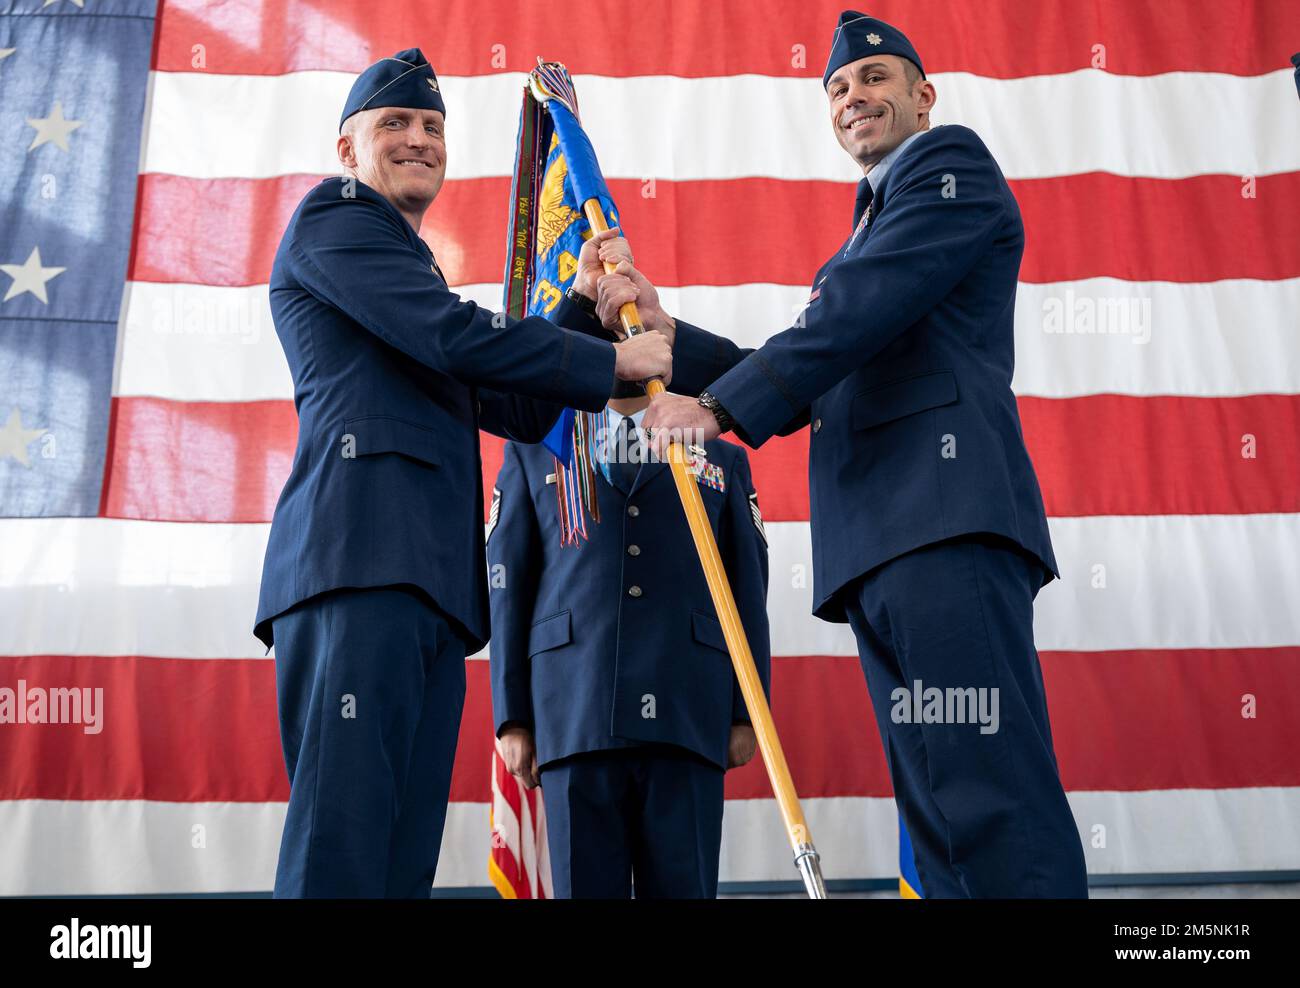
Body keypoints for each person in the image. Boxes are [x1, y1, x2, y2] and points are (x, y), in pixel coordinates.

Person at [597, 12, 1088, 897]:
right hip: (881, 550)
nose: (852, 96)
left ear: (922, 95)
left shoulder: (951, 168)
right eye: (835, 88)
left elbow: (850, 317)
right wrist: (671, 334)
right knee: (937, 809)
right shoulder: (862, 240)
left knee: (988, 796)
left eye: (873, 78)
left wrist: (713, 407)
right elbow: (829, 365)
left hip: (945, 528)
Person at [252, 48, 671, 898]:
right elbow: (454, 338)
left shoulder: (406, 270)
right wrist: (616, 364)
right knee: (343, 847)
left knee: (401, 862)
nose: (418, 139)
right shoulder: (335, 219)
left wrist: (583, 315)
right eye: (395, 124)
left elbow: (507, 403)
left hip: (432, 589)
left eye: (433, 127)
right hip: (356, 568)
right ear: (347, 150)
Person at [486, 344, 771, 897]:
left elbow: (746, 592)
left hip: (687, 712)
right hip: (572, 715)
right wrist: (512, 718)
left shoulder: (722, 457)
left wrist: (746, 711)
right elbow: (509, 588)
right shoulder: (533, 451)